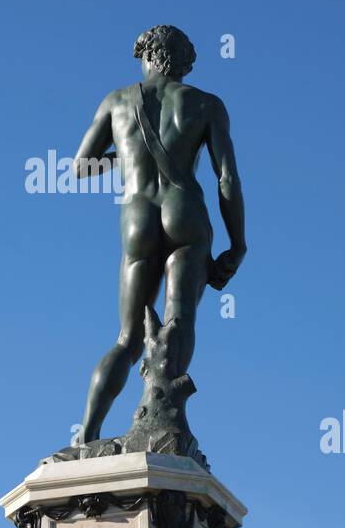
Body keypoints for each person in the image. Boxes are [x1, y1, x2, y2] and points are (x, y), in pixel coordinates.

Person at [73, 25, 246, 443]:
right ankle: (166, 420)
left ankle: (88, 433)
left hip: (136, 216)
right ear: (184, 62)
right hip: (185, 211)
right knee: (179, 318)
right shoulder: (205, 104)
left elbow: (82, 166)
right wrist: (237, 244)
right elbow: (226, 178)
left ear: (145, 56)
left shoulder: (115, 102)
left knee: (128, 338)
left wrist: (128, 158)